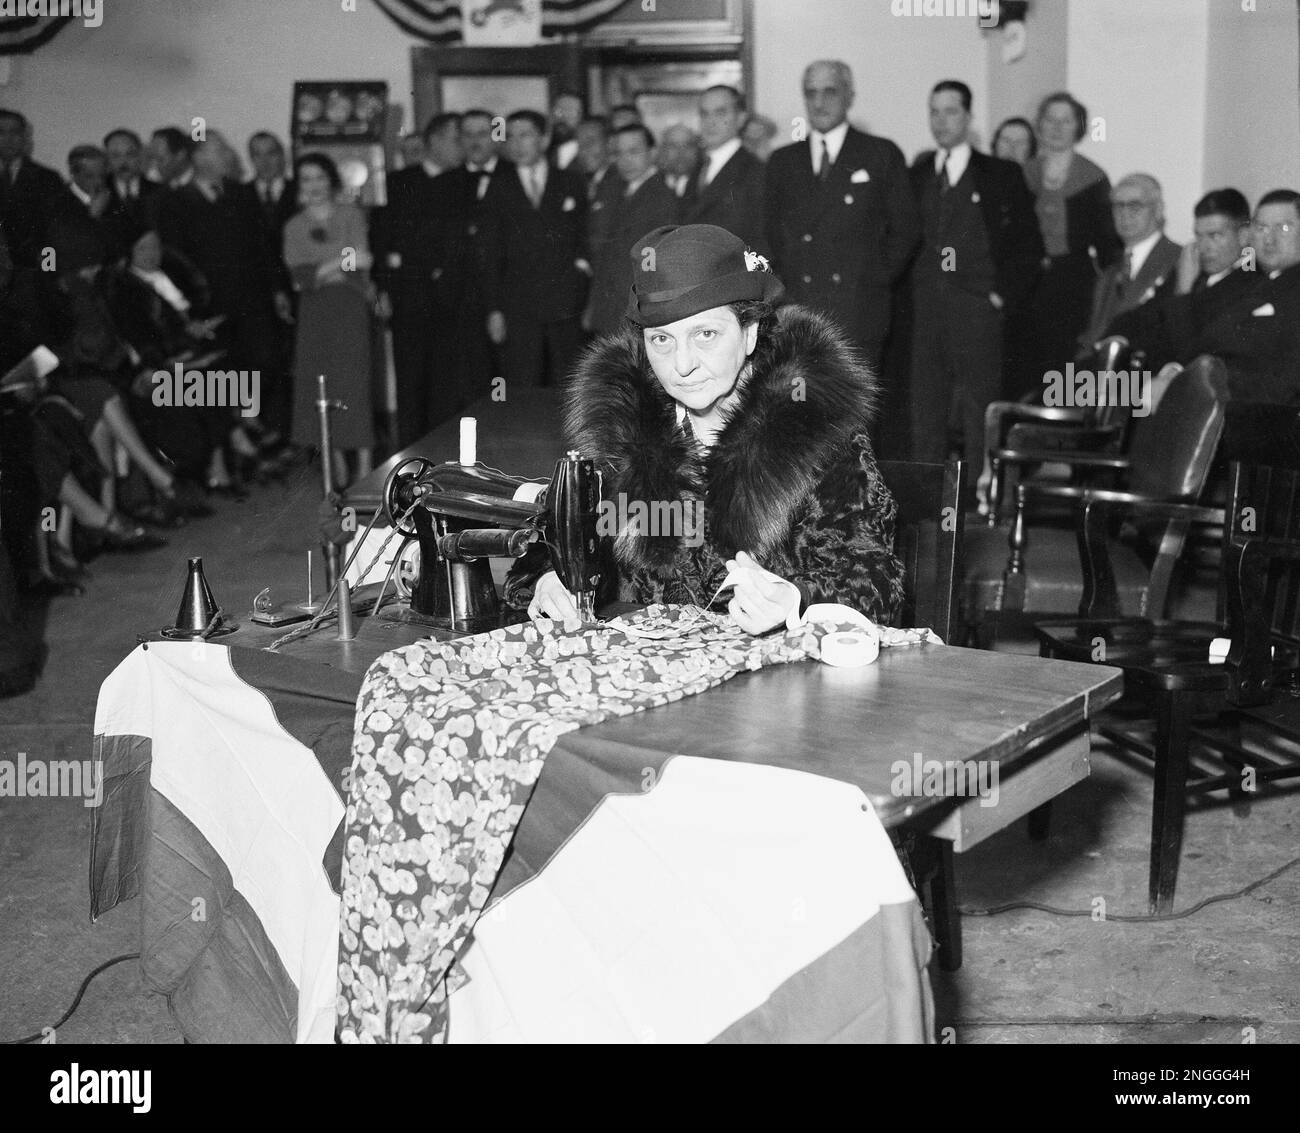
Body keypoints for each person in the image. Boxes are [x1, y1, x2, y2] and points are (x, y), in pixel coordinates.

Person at [515, 223, 906, 633]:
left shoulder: (815, 426)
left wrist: (796, 598)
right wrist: (549, 578)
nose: (682, 364)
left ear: (750, 332)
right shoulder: (620, 437)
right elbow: (556, 538)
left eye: (705, 334)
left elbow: (874, 575)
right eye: (662, 340)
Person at [907, 81, 1042, 489]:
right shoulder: (916, 174)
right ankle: (928, 501)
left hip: (977, 309)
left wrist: (999, 296)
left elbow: (1028, 245)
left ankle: (978, 502)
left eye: (950, 112)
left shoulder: (1000, 174)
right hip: (927, 309)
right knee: (926, 407)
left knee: (978, 406)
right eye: (934, 111)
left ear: (968, 117)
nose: (941, 121)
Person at [764, 60, 920, 370]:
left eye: (830, 92)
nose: (819, 102)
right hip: (798, 310)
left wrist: (871, 277)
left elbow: (906, 229)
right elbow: (769, 233)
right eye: (810, 93)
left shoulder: (880, 153)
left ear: (850, 96)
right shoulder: (783, 161)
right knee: (799, 408)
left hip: (857, 310)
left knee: (851, 413)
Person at [478, 109, 590, 389]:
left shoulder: (571, 181)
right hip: (518, 308)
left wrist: (581, 277)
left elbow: (585, 237)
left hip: (565, 304)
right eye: (511, 136)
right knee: (522, 385)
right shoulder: (498, 187)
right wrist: (493, 310)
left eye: (525, 135)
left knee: (569, 384)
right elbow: (489, 253)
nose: (517, 143)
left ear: (544, 138)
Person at [283, 153, 377, 486]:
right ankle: (335, 459)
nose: (314, 186)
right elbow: (299, 281)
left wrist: (321, 270)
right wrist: (339, 262)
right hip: (315, 314)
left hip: (350, 308)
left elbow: (363, 258)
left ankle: (365, 462)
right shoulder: (294, 226)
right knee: (322, 382)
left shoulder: (350, 215)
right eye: (306, 179)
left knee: (355, 381)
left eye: (319, 177)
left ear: (331, 180)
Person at [371, 112, 462, 444]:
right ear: (434, 141)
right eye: (456, 139)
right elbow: (380, 238)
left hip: (452, 300)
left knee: (447, 382)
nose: (462, 147)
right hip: (408, 297)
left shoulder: (464, 182)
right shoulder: (398, 182)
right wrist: (382, 288)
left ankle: (441, 453)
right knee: (410, 380)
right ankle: (407, 456)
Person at [1022, 91, 1121, 391]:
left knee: (1063, 364)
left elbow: (1108, 245)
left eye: (1065, 120)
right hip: (1028, 281)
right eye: (1050, 119)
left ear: (1078, 127)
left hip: (1073, 283)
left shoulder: (1094, 177)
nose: (1056, 127)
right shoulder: (1023, 173)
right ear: (1039, 125)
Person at [1106, 188, 1256, 371]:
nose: (1204, 246)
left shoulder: (1251, 284)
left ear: (1243, 236)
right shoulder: (1194, 269)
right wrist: (1113, 338)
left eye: (1214, 236)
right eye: (1199, 236)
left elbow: (1191, 350)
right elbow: (1143, 314)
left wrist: (1183, 292)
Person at [586, 124, 678, 337]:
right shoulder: (614, 189)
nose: (625, 160)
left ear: (653, 153)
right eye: (619, 153)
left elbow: (656, 264)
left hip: (637, 312)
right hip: (608, 308)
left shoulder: (663, 197)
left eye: (634, 152)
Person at [1076, 173, 1180, 358]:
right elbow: (1092, 337)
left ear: (1158, 209)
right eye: (1118, 206)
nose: (1124, 214)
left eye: (1135, 205)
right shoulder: (1109, 272)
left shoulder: (1177, 261)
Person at [680, 85, 768, 254]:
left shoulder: (755, 171)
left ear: (741, 118)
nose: (710, 122)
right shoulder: (699, 167)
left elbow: (760, 241)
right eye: (704, 114)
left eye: (720, 113)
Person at [0, 108, 64, 268]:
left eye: (15, 132)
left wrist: (49, 270)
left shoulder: (47, 178)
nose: (8, 139)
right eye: (1, 132)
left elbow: (55, 232)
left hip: (31, 273)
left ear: (25, 136)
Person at [658, 124, 700, 201]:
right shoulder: (652, 187)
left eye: (688, 145)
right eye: (673, 146)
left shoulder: (705, 185)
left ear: (697, 150)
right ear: (662, 151)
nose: (681, 152)